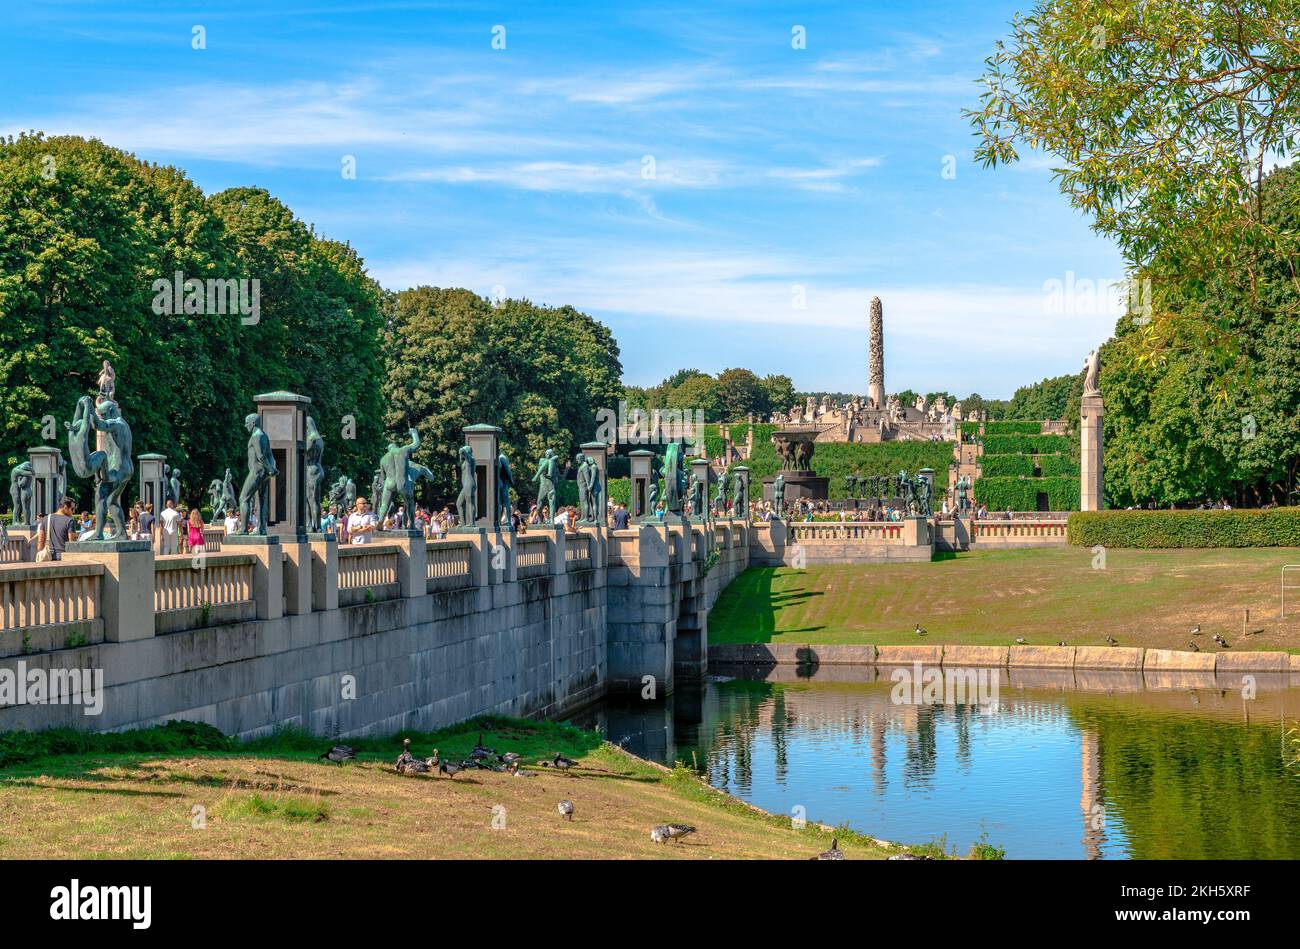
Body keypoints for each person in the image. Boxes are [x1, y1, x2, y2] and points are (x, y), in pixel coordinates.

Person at [37, 497, 79, 561]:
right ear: (65, 507)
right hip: (63, 557)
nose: (73, 511)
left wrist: (41, 554)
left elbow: (40, 541)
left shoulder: (46, 518)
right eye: (72, 509)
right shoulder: (70, 521)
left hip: (48, 556)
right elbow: (71, 543)